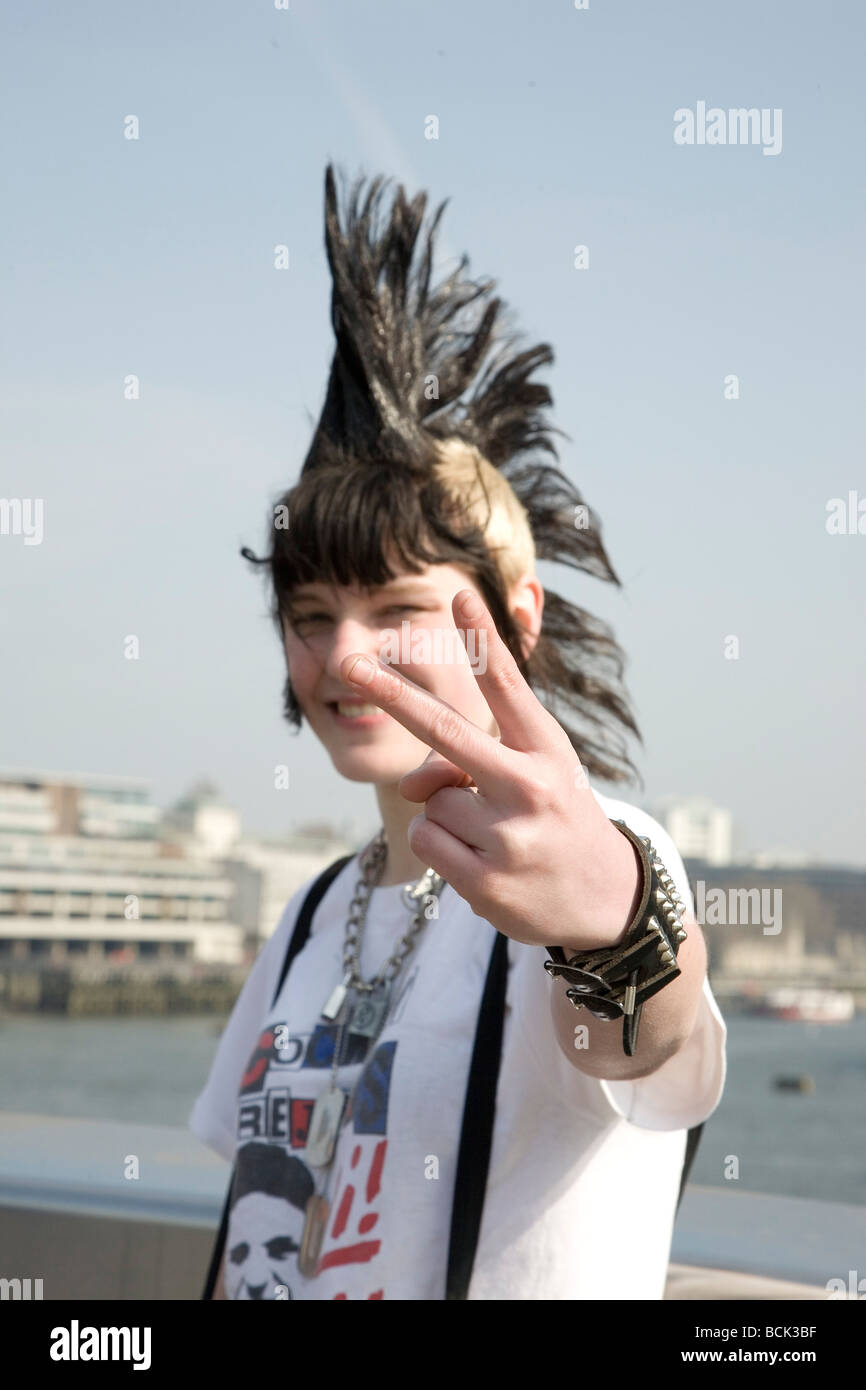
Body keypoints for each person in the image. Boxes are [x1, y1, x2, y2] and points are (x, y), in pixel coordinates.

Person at [189, 163, 727, 1300]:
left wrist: (612, 929)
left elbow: (640, 1042)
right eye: (309, 616)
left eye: (395, 611)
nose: (342, 656)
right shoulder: (311, 912)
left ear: (514, 616)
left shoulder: (595, 855)